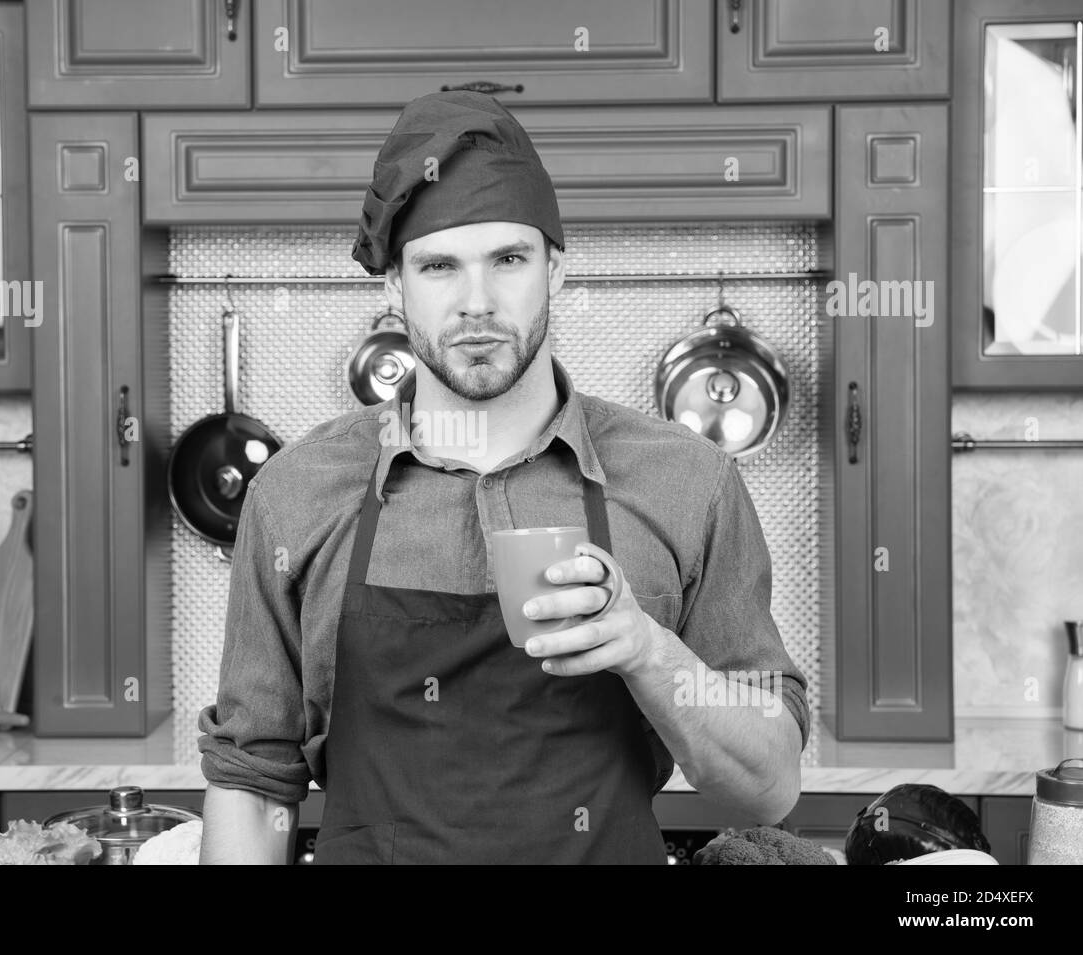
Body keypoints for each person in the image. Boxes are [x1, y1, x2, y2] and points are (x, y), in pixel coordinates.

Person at [198, 90, 808, 865]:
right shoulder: (295, 493)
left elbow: (768, 788)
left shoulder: (688, 484)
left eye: (508, 259)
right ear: (393, 284)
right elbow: (253, 791)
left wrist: (648, 650)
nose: (476, 303)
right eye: (440, 265)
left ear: (555, 268)